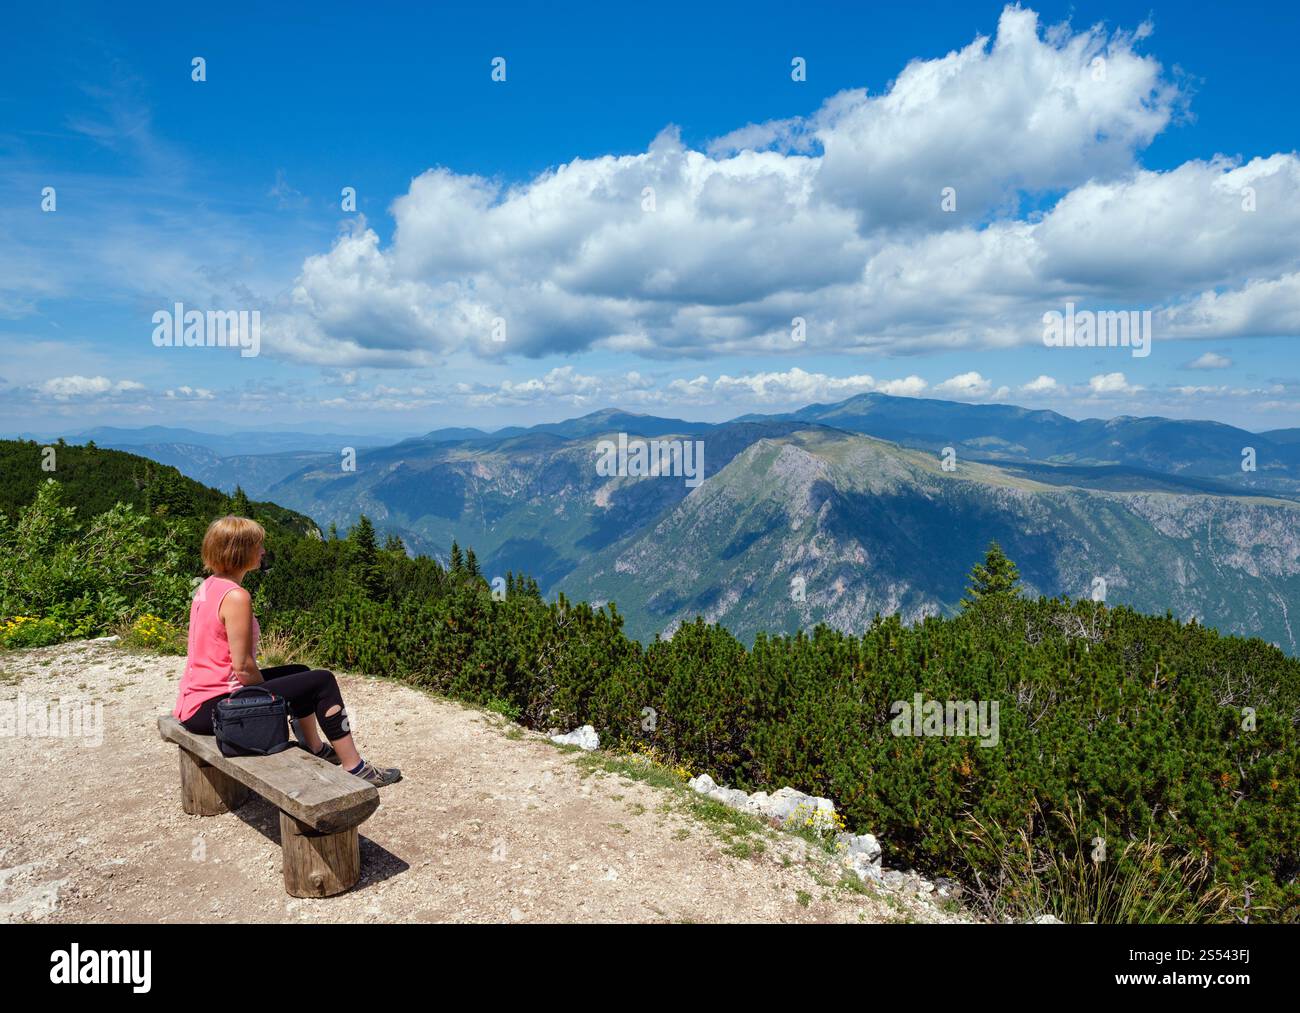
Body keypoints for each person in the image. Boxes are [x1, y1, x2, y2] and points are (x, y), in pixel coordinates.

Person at [172, 515, 400, 787]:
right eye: (258, 545)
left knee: (301, 673)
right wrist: (269, 698)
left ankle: (315, 747)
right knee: (322, 680)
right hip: (218, 707)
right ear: (240, 551)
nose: (263, 551)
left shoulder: (208, 586)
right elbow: (243, 668)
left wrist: (274, 687)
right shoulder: (236, 597)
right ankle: (355, 767)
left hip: (194, 704)